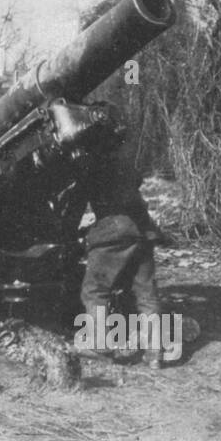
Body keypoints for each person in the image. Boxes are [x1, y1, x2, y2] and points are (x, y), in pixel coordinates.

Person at [76, 111, 169, 369]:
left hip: (114, 230)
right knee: (146, 293)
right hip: (143, 228)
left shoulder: (92, 163)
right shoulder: (125, 159)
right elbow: (136, 181)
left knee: (94, 290)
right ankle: (155, 353)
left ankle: (101, 347)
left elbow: (79, 198)